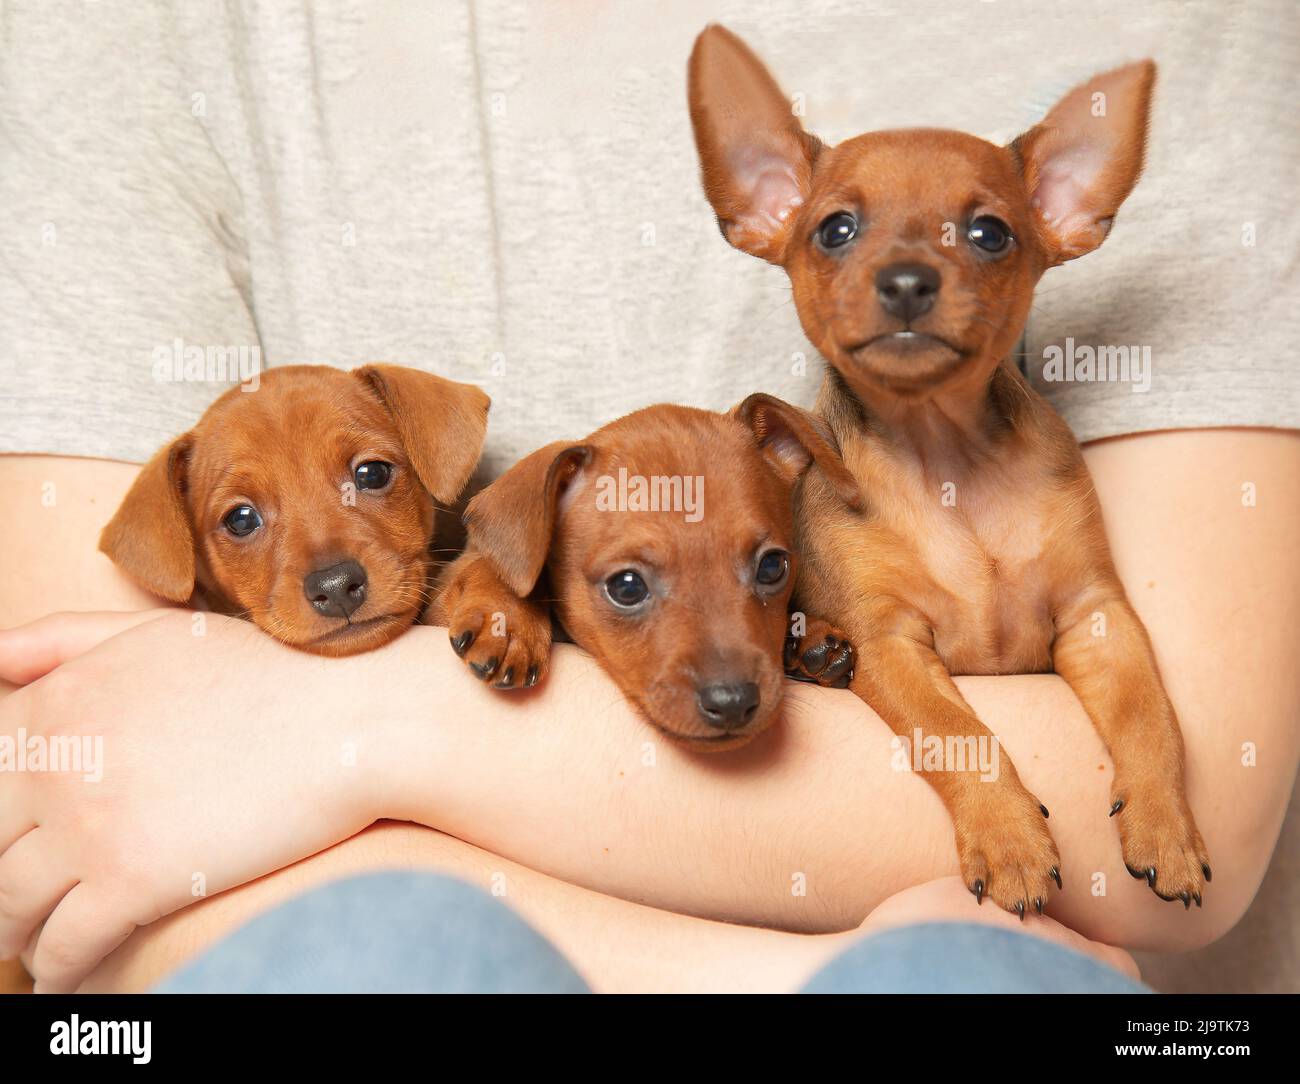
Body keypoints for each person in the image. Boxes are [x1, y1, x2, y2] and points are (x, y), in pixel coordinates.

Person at [0, 1, 1296, 994]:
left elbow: (1177, 853)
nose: (908, 275)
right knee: (383, 955)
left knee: (967, 982)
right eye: (838, 230)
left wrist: (361, 739)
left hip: (974, 957)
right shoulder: (127, 38)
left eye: (983, 234)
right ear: (758, 203)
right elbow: (86, 830)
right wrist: (781, 979)